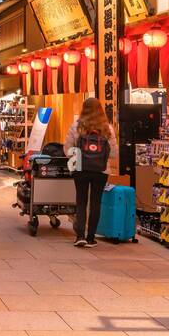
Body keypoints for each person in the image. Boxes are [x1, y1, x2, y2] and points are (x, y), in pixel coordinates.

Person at [64, 97, 117, 248]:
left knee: (81, 201)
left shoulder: (76, 126)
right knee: (95, 202)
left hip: (80, 167)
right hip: (101, 170)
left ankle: (80, 236)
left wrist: (77, 156)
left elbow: (67, 149)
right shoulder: (107, 128)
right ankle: (91, 237)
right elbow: (114, 153)